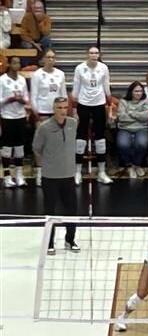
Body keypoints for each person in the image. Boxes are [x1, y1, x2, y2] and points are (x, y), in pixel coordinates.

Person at [33, 97, 80, 254]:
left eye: (65, 107)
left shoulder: (73, 124)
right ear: (53, 109)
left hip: (68, 175)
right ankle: (49, 242)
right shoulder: (44, 127)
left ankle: (70, 240)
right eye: (59, 107)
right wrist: (44, 167)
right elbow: (36, 148)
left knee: (71, 210)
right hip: (50, 177)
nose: (62, 110)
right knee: (50, 211)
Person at [72, 46, 113, 185]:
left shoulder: (104, 68)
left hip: (99, 104)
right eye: (91, 53)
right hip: (83, 104)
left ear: (99, 55)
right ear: (87, 54)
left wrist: (109, 103)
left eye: (96, 53)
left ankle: (101, 172)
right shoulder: (79, 68)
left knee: (100, 137)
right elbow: (76, 87)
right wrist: (74, 108)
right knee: (81, 137)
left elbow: (106, 86)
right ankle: (77, 172)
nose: (94, 55)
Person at [0, 56, 31, 188]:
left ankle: (19, 175)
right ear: (9, 65)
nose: (16, 65)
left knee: (20, 147)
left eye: (18, 63)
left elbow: (26, 99)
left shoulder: (22, 79)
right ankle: (7, 176)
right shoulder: (2, 80)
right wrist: (10, 99)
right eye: (14, 63)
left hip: (20, 116)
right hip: (7, 117)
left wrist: (21, 100)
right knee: (7, 147)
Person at [116, 81, 148, 178]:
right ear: (131, 92)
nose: (138, 93)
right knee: (122, 144)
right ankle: (129, 165)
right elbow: (122, 118)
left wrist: (131, 112)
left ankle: (136, 164)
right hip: (125, 128)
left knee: (141, 144)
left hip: (142, 128)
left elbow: (146, 117)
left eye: (140, 91)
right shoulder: (123, 101)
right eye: (136, 91)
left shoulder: (146, 101)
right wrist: (138, 115)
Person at [31, 49, 67, 124]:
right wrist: (35, 111)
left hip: (57, 110)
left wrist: (64, 109)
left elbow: (63, 94)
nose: (51, 59)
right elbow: (34, 95)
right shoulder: (37, 74)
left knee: (56, 134)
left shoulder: (60, 74)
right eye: (48, 57)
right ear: (44, 59)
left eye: (53, 57)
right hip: (42, 111)